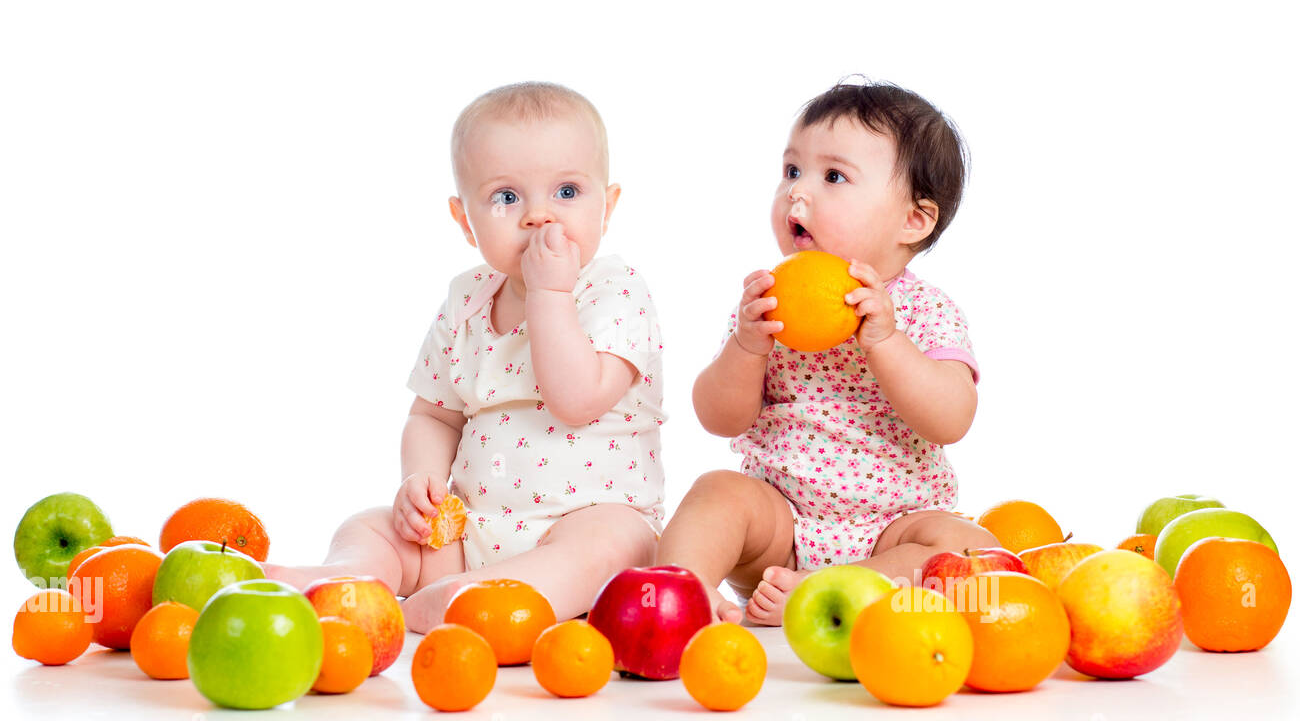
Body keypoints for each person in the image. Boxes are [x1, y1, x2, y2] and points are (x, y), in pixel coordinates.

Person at [267, 82, 666, 633]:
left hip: (584, 522)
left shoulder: (614, 291)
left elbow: (577, 399)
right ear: (464, 220)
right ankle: (348, 580)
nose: (538, 216)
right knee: (373, 526)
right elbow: (433, 414)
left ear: (608, 205)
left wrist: (549, 295)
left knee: (616, 545)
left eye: (568, 192)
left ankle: (476, 601)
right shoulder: (467, 299)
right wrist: (422, 483)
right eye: (507, 198)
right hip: (473, 527)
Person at [656, 80, 997, 625]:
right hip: (781, 525)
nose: (797, 192)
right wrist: (747, 347)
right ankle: (676, 597)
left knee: (967, 549)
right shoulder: (768, 303)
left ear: (914, 220)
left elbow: (951, 419)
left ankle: (829, 589)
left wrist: (886, 343)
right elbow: (718, 418)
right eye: (792, 171)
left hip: (894, 527)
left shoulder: (925, 311)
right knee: (718, 492)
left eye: (833, 176)